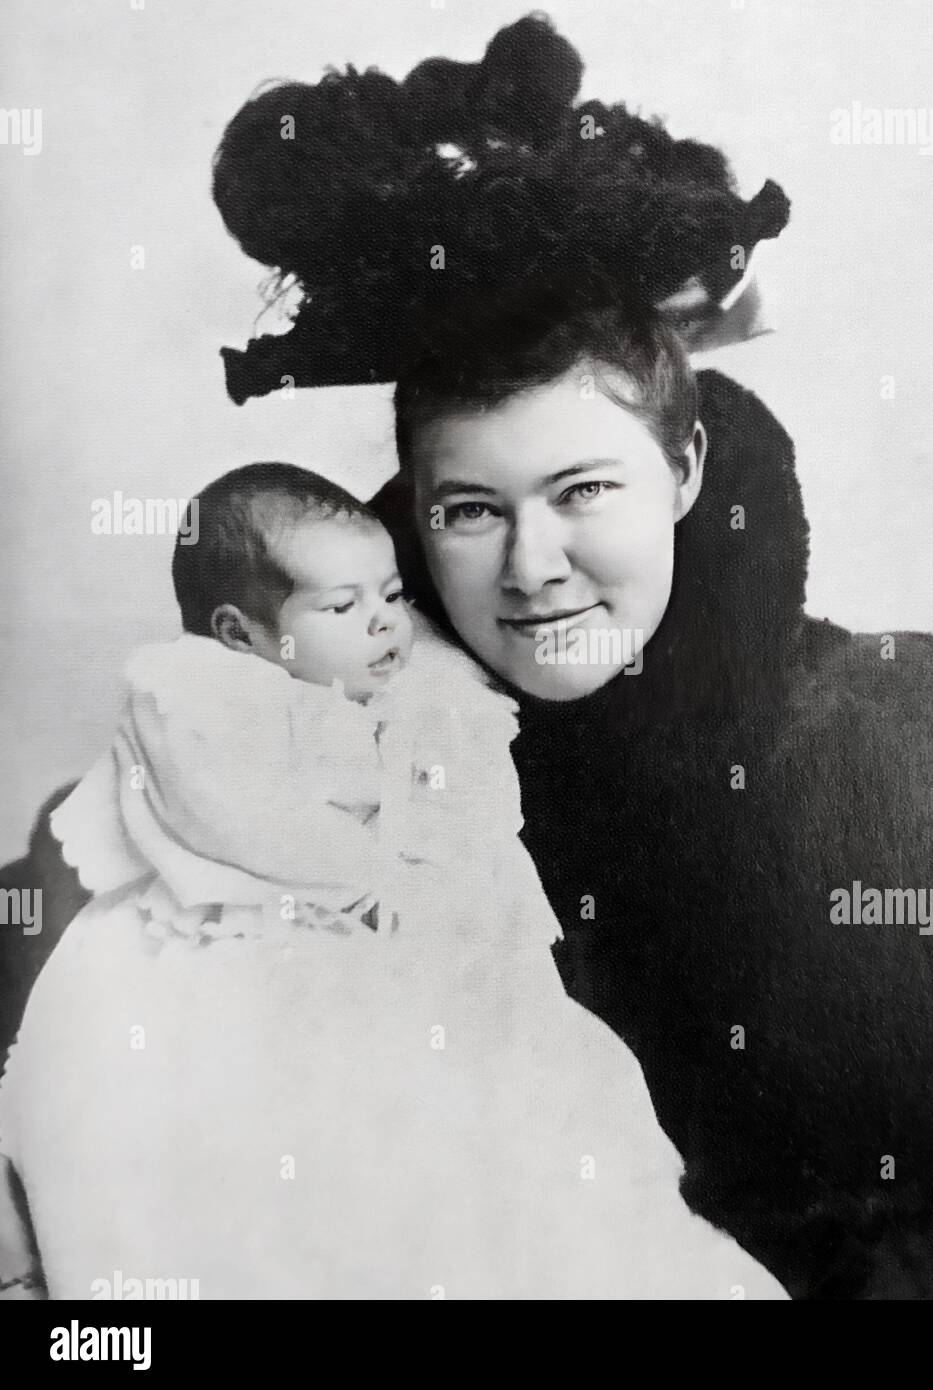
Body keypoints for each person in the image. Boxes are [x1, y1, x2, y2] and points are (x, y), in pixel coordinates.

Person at [0, 13, 933, 1299]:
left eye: (582, 490)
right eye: (469, 509)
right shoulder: (367, 750)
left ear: (684, 468)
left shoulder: (895, 721)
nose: (531, 564)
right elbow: (108, 893)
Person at [0, 462, 787, 1300]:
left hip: (393, 938)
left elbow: (472, 814)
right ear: (240, 634)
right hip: (240, 934)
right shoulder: (203, 703)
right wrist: (360, 868)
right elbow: (233, 820)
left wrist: (431, 828)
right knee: (248, 1119)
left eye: (390, 595)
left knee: (518, 1110)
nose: (385, 627)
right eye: (342, 608)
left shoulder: (418, 693)